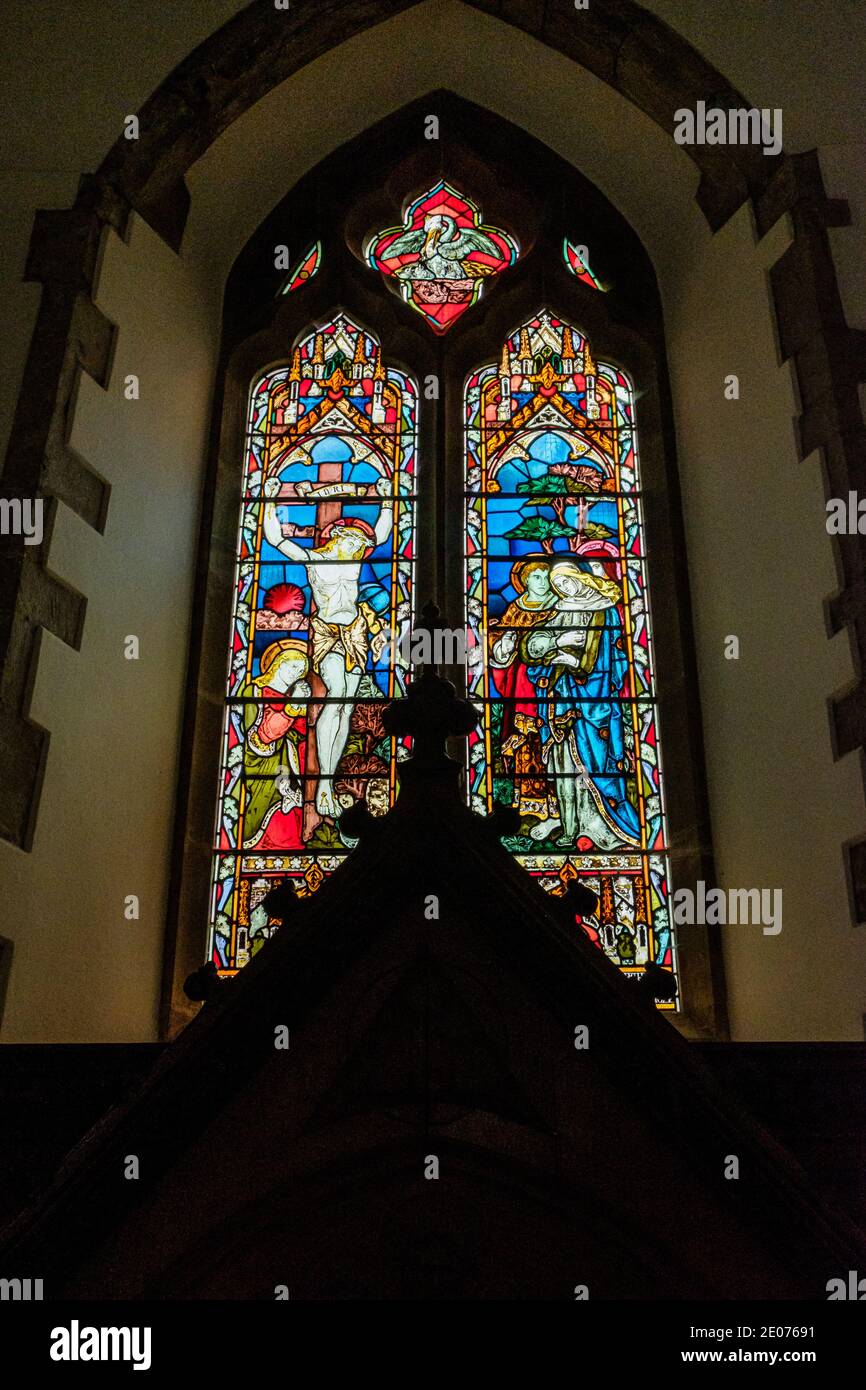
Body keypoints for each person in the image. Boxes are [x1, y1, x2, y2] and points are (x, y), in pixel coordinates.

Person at [263, 475, 393, 818]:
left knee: (346, 708)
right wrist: (270, 501)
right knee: (334, 698)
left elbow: (381, 534)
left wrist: (390, 500)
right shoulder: (313, 559)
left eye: (360, 542)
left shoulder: (355, 561)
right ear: (338, 536)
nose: (359, 545)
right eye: (354, 539)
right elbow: (276, 540)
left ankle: (329, 779)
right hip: (328, 635)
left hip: (355, 632)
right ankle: (321, 785)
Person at [524, 560, 642, 849]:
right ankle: (569, 824)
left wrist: (573, 661)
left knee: (597, 764)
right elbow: (532, 650)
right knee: (564, 764)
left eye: (567, 581)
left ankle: (601, 825)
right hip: (562, 704)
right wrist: (555, 646)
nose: (564, 588)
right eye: (558, 585)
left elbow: (610, 663)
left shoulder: (604, 611)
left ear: (580, 577)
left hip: (594, 701)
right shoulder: (559, 612)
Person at [488, 559, 558, 822]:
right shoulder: (516, 609)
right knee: (527, 743)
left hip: (553, 683)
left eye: (545, 576)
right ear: (525, 581)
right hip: (522, 686)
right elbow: (502, 648)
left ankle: (558, 807)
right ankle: (529, 803)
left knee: (553, 739)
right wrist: (504, 644)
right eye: (536, 577)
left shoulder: (558, 606)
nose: (542, 582)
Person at [240, 640, 311, 850]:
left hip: (291, 769)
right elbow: (262, 737)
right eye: (292, 666)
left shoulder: (295, 698)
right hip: (264, 768)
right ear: (278, 663)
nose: (295, 673)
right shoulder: (255, 692)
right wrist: (292, 708)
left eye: (300, 670)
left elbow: (301, 735)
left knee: (290, 825)